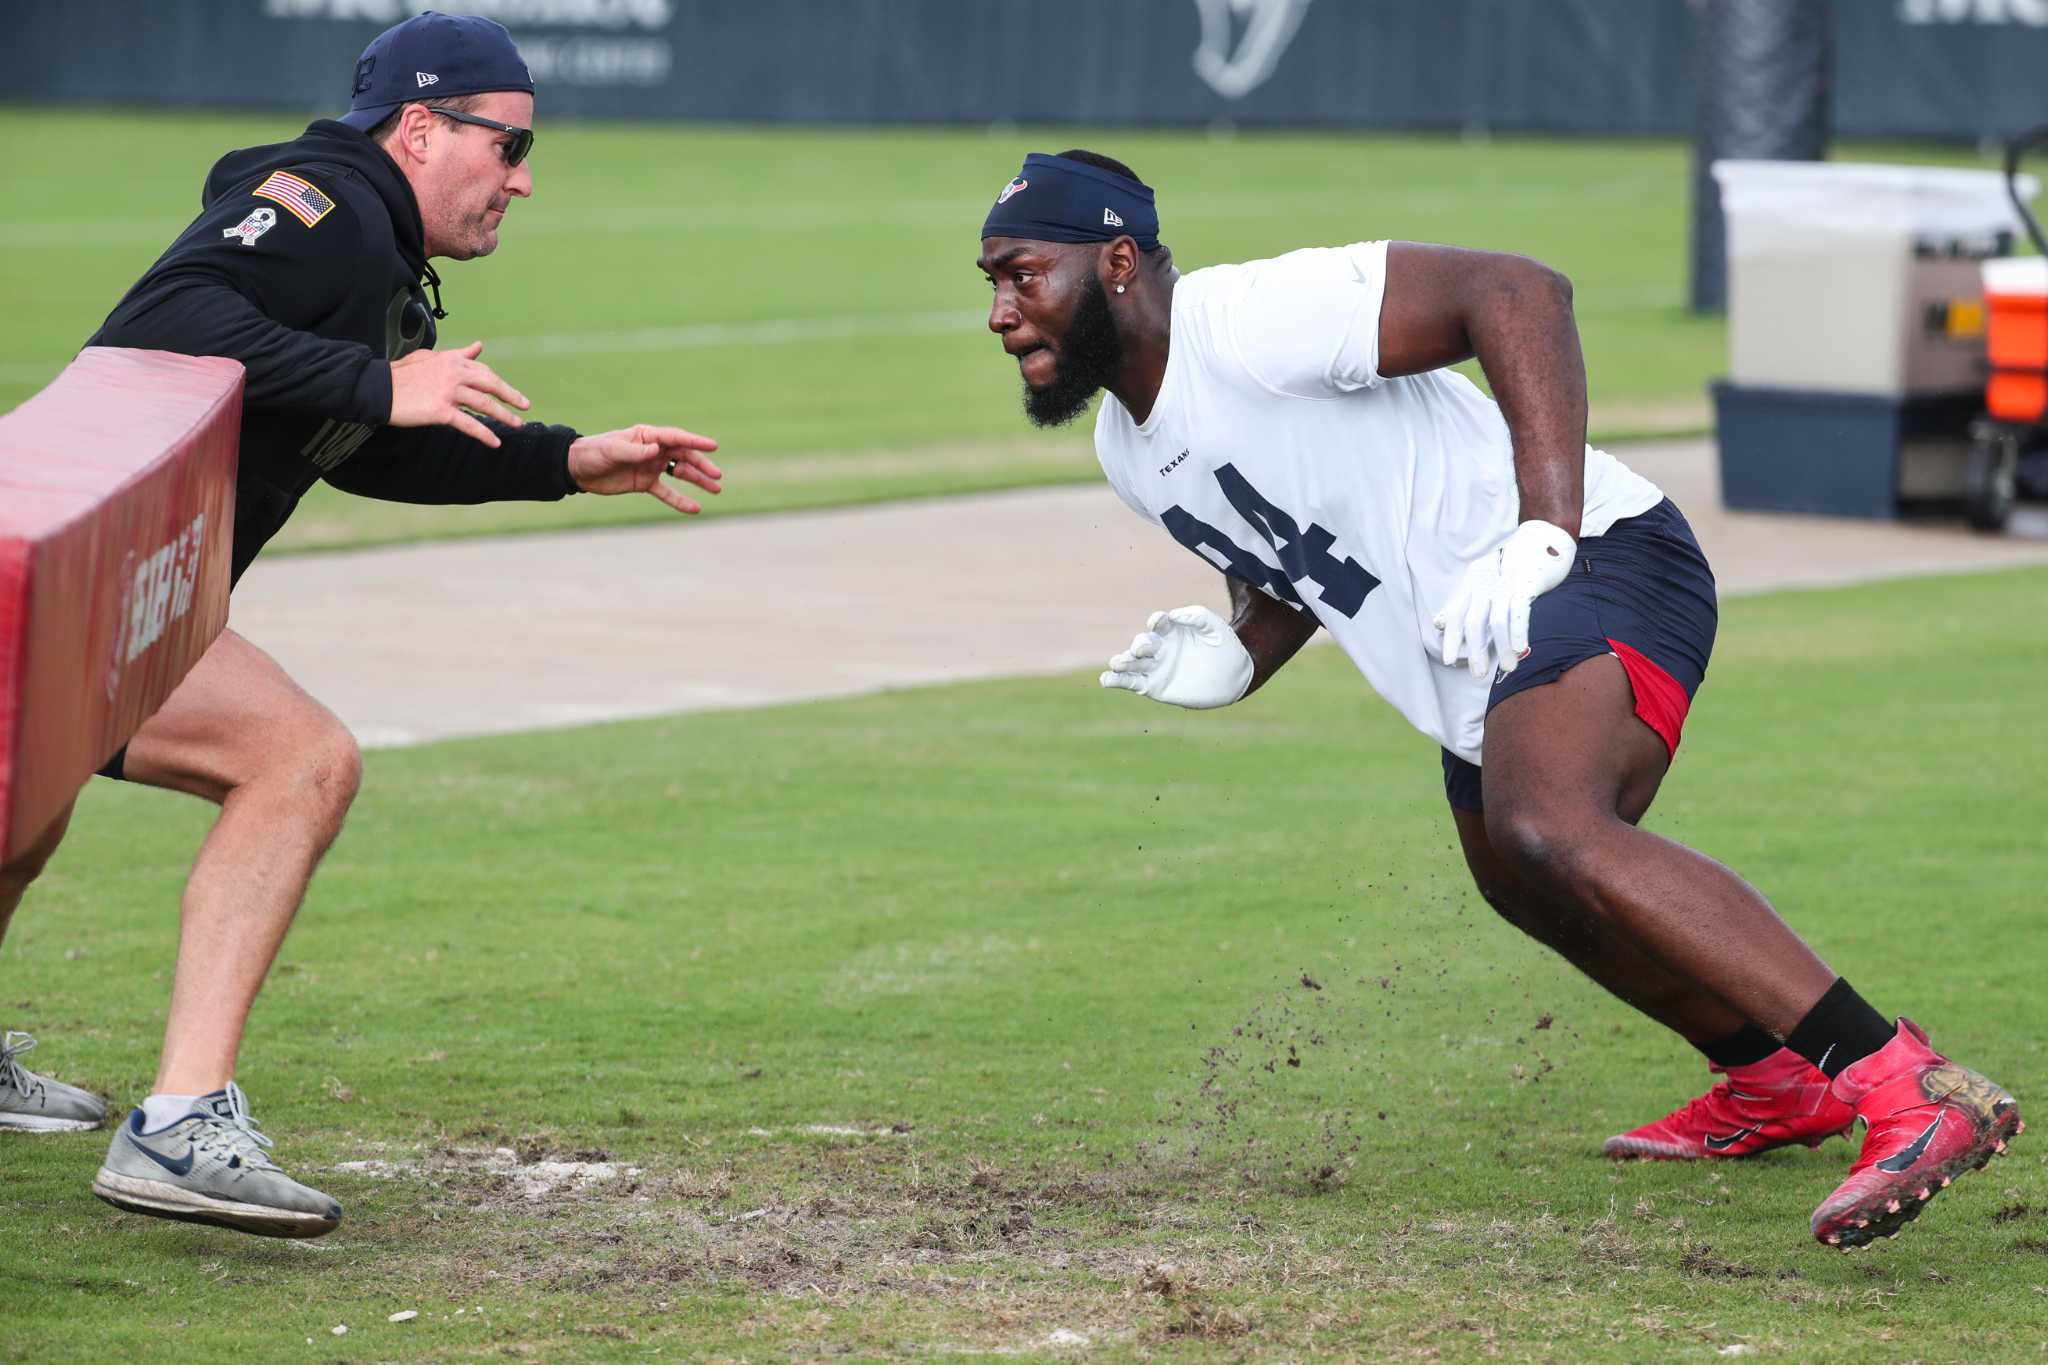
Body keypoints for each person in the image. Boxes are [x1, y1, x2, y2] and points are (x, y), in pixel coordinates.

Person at [974, 150, 2020, 1249]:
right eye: (990, 282)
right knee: (1518, 873)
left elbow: (1516, 291)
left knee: (1549, 825)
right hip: (1475, 643)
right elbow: (1294, 569)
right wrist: (1239, 653)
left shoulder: (1246, 318)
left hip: (1594, 559)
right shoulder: (1123, 451)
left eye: (1022, 274)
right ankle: (1771, 1080)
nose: (1000, 312)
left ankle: (1903, 1081)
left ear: (1120, 261)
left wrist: (1541, 528)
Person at [0, 11, 723, 1239]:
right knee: (298, 761)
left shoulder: (376, 254)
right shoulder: (324, 204)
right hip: (73, 565)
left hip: (83, 565)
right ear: (424, 128)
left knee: (30, 809)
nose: (524, 179)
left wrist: (565, 461)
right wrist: (381, 381)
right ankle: (181, 1125)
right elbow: (164, 322)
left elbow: (375, 454)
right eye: (508, 148)